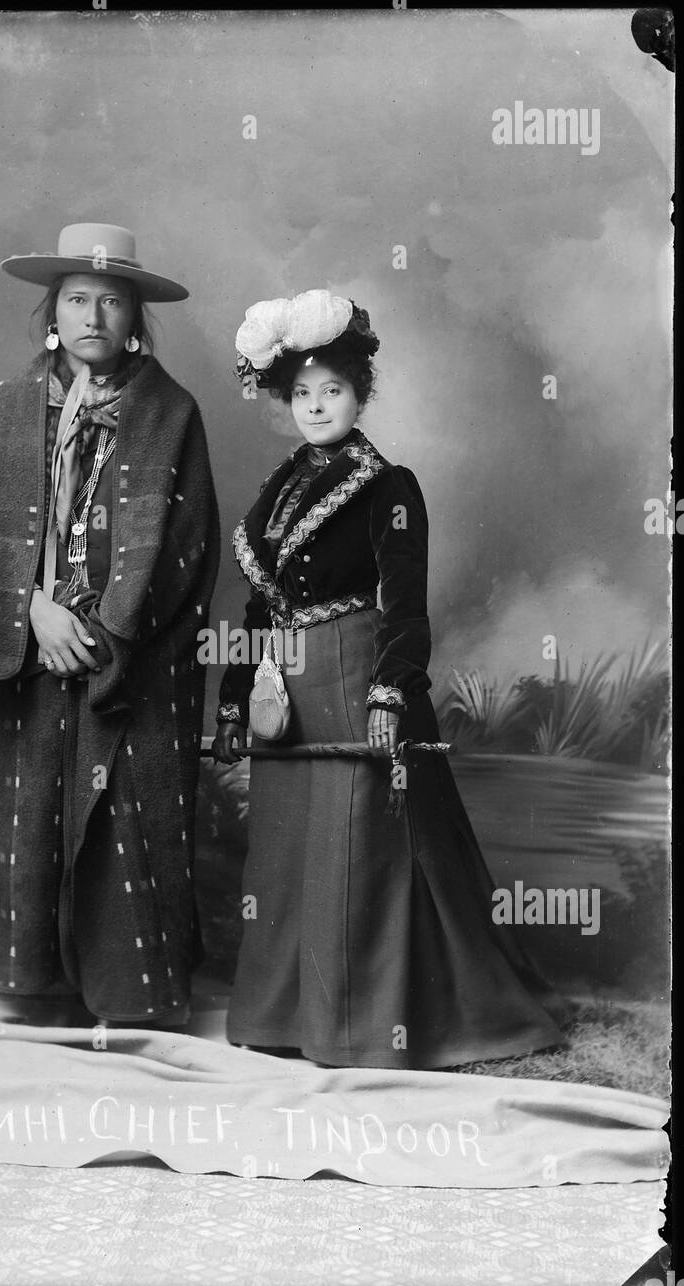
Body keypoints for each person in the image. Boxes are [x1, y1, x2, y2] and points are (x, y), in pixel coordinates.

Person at [213, 289, 563, 1068]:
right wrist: (236, 701)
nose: (315, 406)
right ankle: (282, 1015)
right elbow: (256, 608)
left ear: (359, 394)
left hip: (353, 677)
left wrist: (389, 693)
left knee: (355, 848)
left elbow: (404, 604)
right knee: (284, 853)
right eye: (300, 393)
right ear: (283, 401)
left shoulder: (387, 486)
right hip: (285, 689)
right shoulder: (279, 489)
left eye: (331, 391)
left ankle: (360, 1025)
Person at [0, 222, 219, 1026]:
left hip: (125, 649)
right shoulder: (0, 412)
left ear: (134, 316)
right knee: (28, 801)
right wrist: (32, 612)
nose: (92, 316)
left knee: (125, 808)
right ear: (51, 315)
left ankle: (130, 992)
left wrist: (103, 631)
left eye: (110, 300)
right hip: (26, 645)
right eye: (76, 300)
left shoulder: (171, 412)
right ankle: (36, 985)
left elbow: (189, 542)